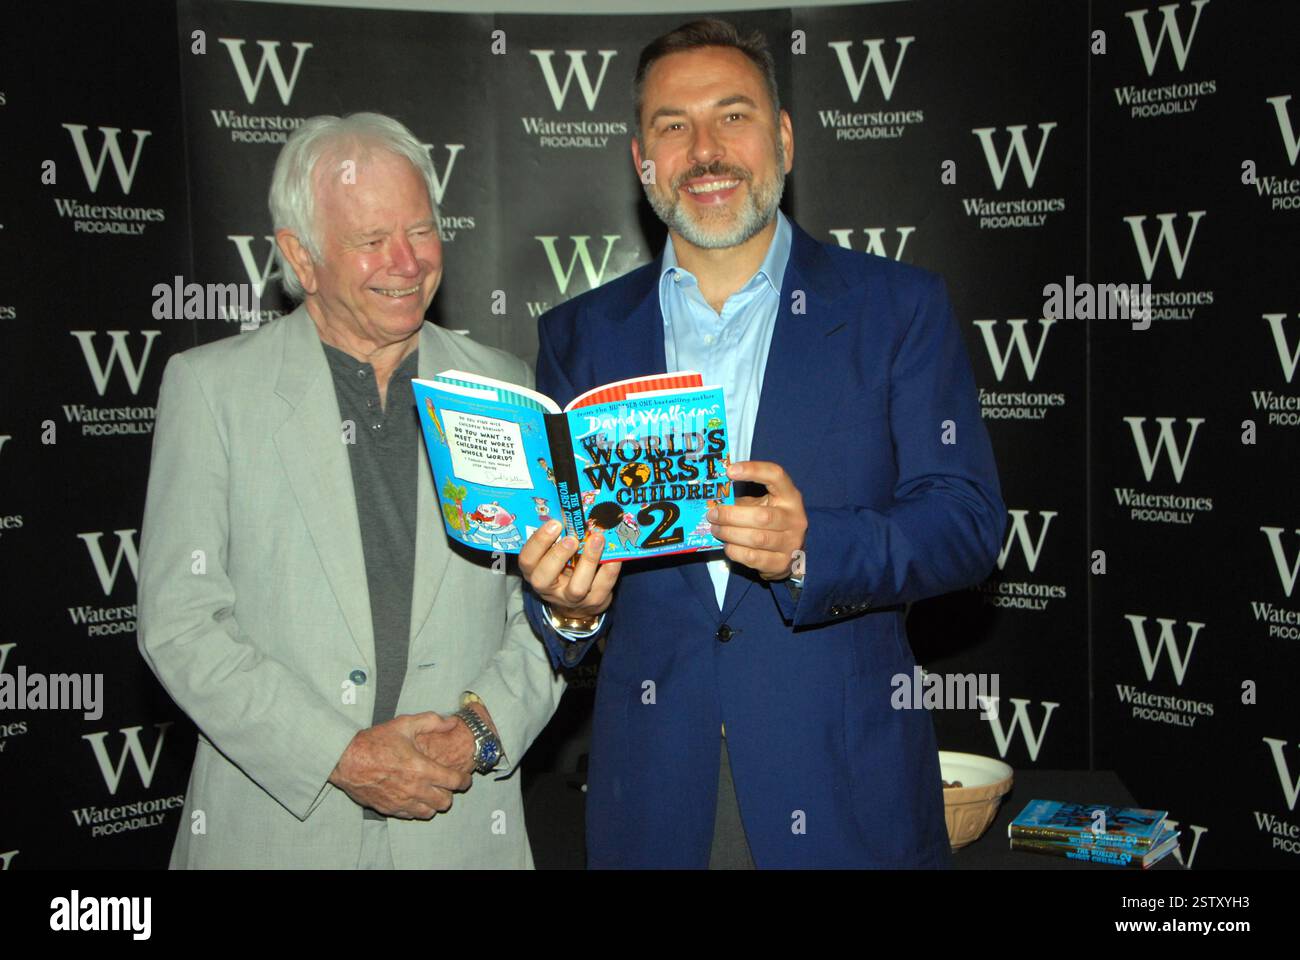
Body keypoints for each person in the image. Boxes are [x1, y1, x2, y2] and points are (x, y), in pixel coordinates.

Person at [520, 20, 1005, 868]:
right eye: (674, 126)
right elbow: (555, 584)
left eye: (732, 116)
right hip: (653, 803)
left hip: (845, 793)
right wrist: (570, 605)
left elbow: (966, 522)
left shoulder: (898, 309)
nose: (704, 151)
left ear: (782, 138)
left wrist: (813, 547)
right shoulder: (580, 337)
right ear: (642, 160)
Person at [137, 113, 564, 868]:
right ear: (301, 257)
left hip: (462, 830)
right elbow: (180, 622)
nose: (407, 262)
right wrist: (341, 755)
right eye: (371, 241)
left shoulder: (500, 386)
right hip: (274, 834)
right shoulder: (212, 391)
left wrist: (481, 731)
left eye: (422, 230)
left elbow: (541, 609)